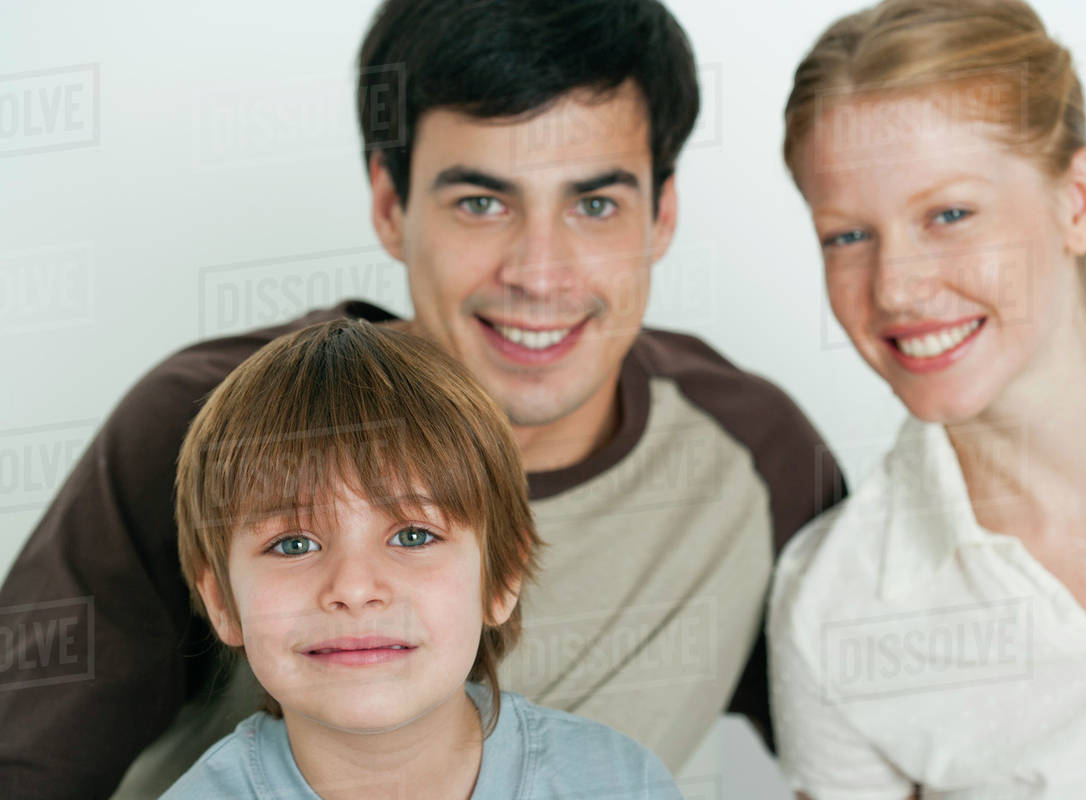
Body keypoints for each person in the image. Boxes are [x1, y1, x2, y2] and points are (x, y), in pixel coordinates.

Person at [0, 1, 844, 797]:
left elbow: (886, 741)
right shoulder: (211, 424)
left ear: (661, 214)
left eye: (595, 202)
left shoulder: (756, 454)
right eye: (481, 201)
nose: (539, 274)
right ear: (389, 203)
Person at [767, 0, 1086, 797]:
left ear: (1077, 202)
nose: (895, 287)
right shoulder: (836, 611)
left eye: (950, 214)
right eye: (847, 236)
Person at [161, 319, 681, 799]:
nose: (355, 587)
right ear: (222, 601)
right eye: (294, 545)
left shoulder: (621, 783)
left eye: (413, 536)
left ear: (501, 577)